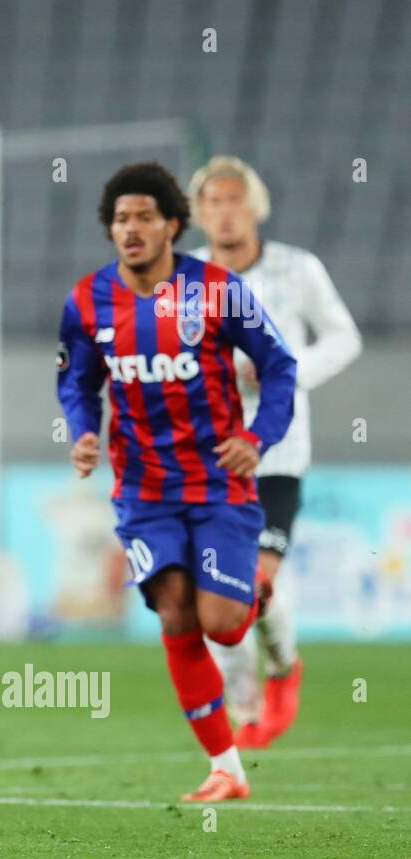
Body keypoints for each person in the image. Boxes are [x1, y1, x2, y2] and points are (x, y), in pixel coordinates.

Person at [56, 161, 296, 802]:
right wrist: (83, 430)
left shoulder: (217, 291)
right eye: (119, 219)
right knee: (174, 613)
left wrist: (255, 439)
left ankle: (253, 595)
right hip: (143, 494)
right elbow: (78, 379)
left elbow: (279, 367)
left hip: (219, 487)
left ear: (172, 225)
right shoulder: (87, 300)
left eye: (143, 217)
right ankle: (227, 768)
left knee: (222, 625)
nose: (129, 230)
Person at [189, 156, 362, 748]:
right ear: (198, 212)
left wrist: (289, 371)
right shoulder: (185, 281)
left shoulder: (297, 269)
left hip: (277, 451)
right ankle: (244, 704)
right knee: (215, 590)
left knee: (255, 582)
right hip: (207, 456)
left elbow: (344, 335)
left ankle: (284, 668)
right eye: (212, 201)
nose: (224, 210)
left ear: (255, 206)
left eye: (234, 198)